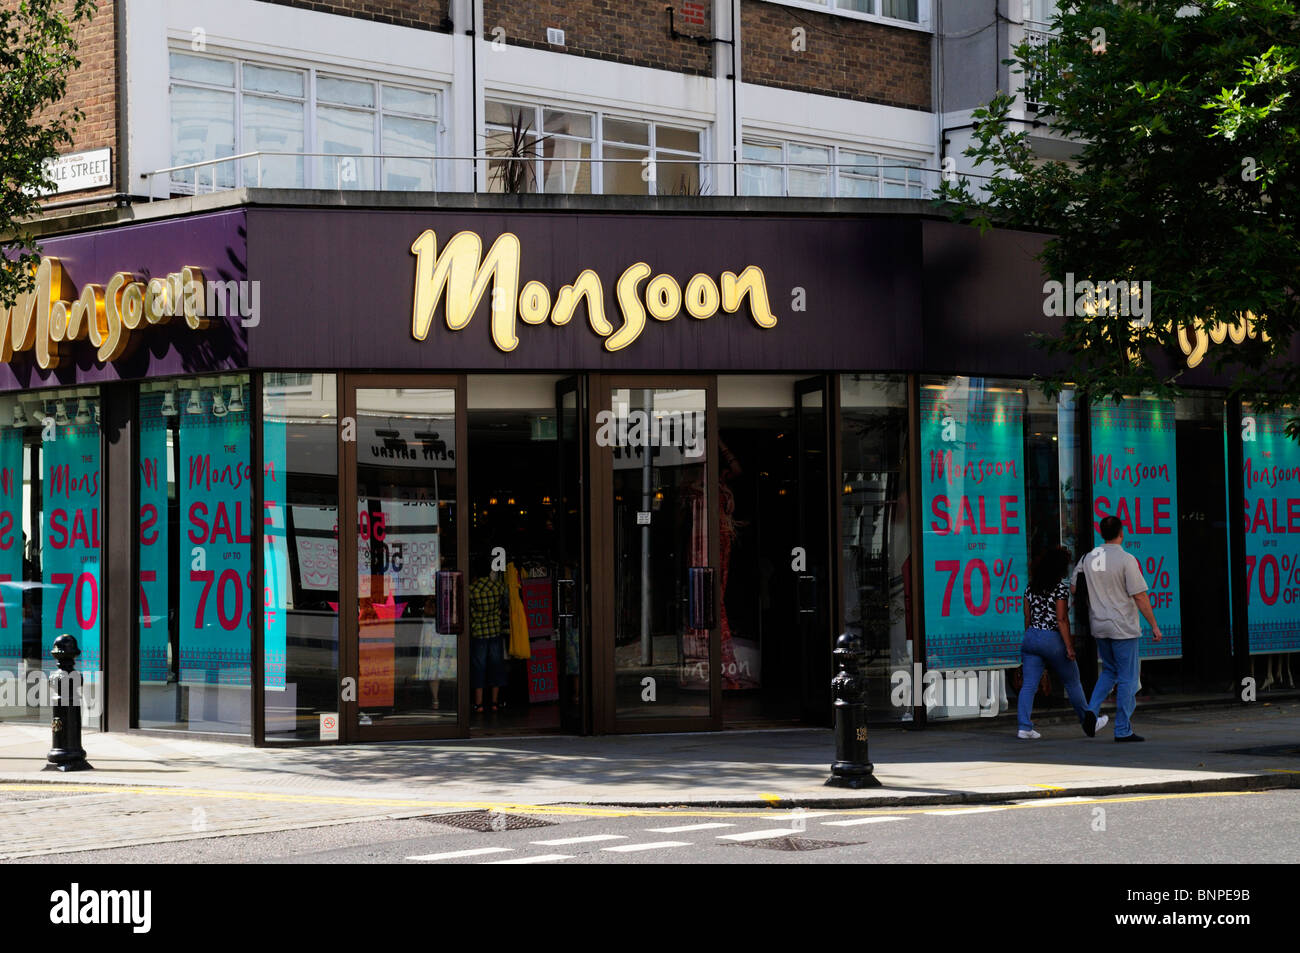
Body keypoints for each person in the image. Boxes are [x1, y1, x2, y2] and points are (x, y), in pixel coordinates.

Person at [1072, 515, 1163, 742]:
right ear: (1121, 533)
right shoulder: (1126, 559)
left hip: (1099, 624)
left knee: (1110, 671)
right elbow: (1140, 596)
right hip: (1123, 625)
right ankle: (1122, 728)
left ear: (1102, 533)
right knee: (1128, 678)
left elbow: (1074, 588)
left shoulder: (1088, 558)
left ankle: (1091, 712)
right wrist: (1154, 625)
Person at [1016, 546, 1105, 740]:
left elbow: (1027, 617)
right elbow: (1061, 619)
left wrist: (1031, 637)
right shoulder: (1060, 588)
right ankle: (1089, 722)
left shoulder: (1030, 587)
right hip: (1052, 638)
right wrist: (1069, 646)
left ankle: (1024, 726)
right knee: (1072, 681)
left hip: (1031, 636)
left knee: (1029, 684)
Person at [468, 555, 509, 713]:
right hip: (495, 631)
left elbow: (468, 610)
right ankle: (494, 702)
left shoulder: (472, 590)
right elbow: (505, 604)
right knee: (496, 665)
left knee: (479, 666)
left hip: (479, 632)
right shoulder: (497, 586)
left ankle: (478, 704)